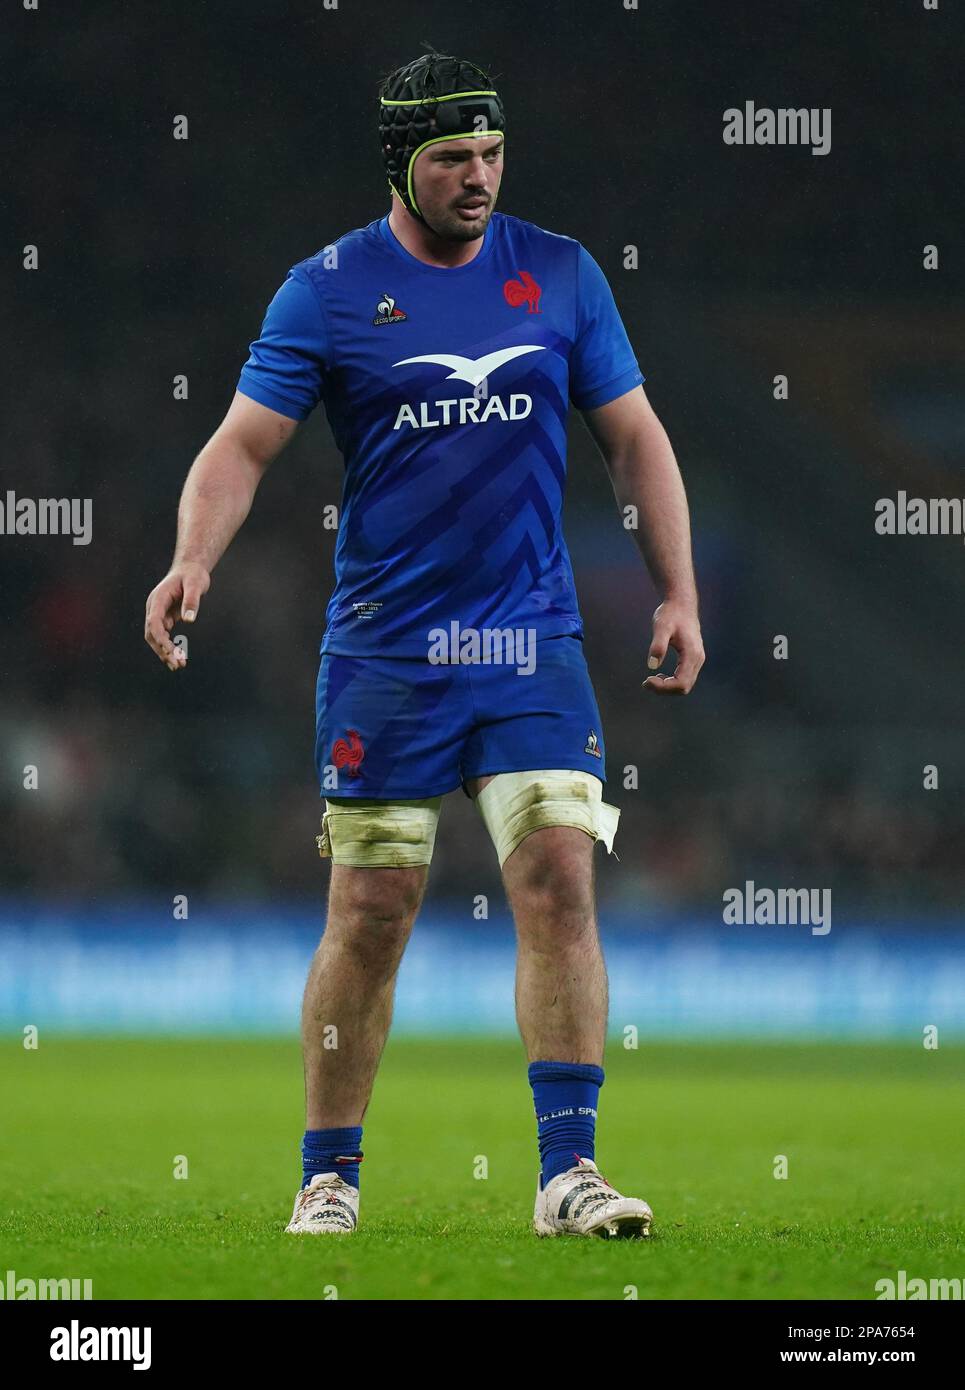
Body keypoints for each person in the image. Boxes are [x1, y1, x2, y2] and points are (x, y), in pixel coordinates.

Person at [144, 50, 704, 1240]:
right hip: (387, 654)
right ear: (400, 160)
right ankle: (329, 1174)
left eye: (493, 152)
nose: (478, 177)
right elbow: (241, 449)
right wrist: (193, 561)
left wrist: (676, 591)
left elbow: (635, 440)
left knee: (557, 877)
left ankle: (569, 1173)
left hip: (527, 640)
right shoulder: (327, 290)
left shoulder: (559, 274)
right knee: (372, 911)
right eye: (453, 156)